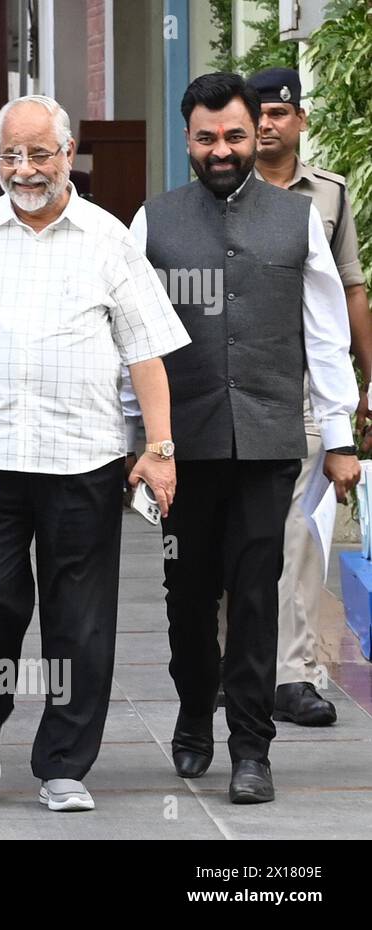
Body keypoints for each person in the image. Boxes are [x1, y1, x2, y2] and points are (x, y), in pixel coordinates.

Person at [0, 95, 189, 812]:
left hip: (84, 461)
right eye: (9, 155)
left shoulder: (107, 238)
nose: (23, 169)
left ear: (69, 154)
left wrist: (158, 448)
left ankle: (64, 762)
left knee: (80, 618)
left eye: (38, 153)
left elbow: (147, 353)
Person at [129, 73, 359, 804]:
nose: (221, 150)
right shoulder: (154, 221)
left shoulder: (297, 221)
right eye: (206, 137)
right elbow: (129, 341)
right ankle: (197, 710)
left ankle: (252, 748)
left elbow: (326, 336)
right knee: (187, 595)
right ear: (188, 139)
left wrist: (343, 435)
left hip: (267, 441)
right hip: (182, 448)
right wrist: (138, 439)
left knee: (257, 596)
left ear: (254, 132)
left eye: (234, 135)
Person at [245, 66, 371, 727]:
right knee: (232, 531)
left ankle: (293, 676)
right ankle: (229, 668)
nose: (267, 124)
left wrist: (363, 386)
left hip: (306, 386)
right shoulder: (220, 189)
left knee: (300, 533)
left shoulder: (329, 195)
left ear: (299, 120)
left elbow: (351, 287)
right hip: (237, 384)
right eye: (256, 113)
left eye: (278, 113)